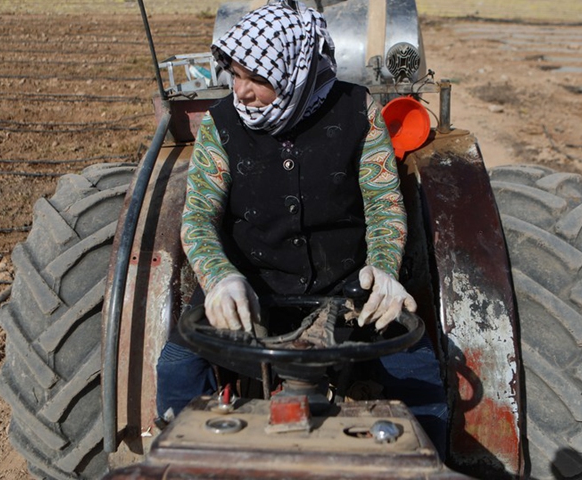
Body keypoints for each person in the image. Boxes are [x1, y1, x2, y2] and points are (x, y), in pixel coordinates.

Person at [156, 1, 448, 458]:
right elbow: (198, 218)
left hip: (349, 289)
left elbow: (383, 204)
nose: (242, 92)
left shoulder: (359, 112)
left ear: (295, 73)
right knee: (177, 366)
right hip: (250, 286)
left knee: (420, 377)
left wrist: (385, 270)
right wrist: (219, 277)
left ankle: (429, 459)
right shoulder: (220, 125)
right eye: (235, 75)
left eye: (257, 80)